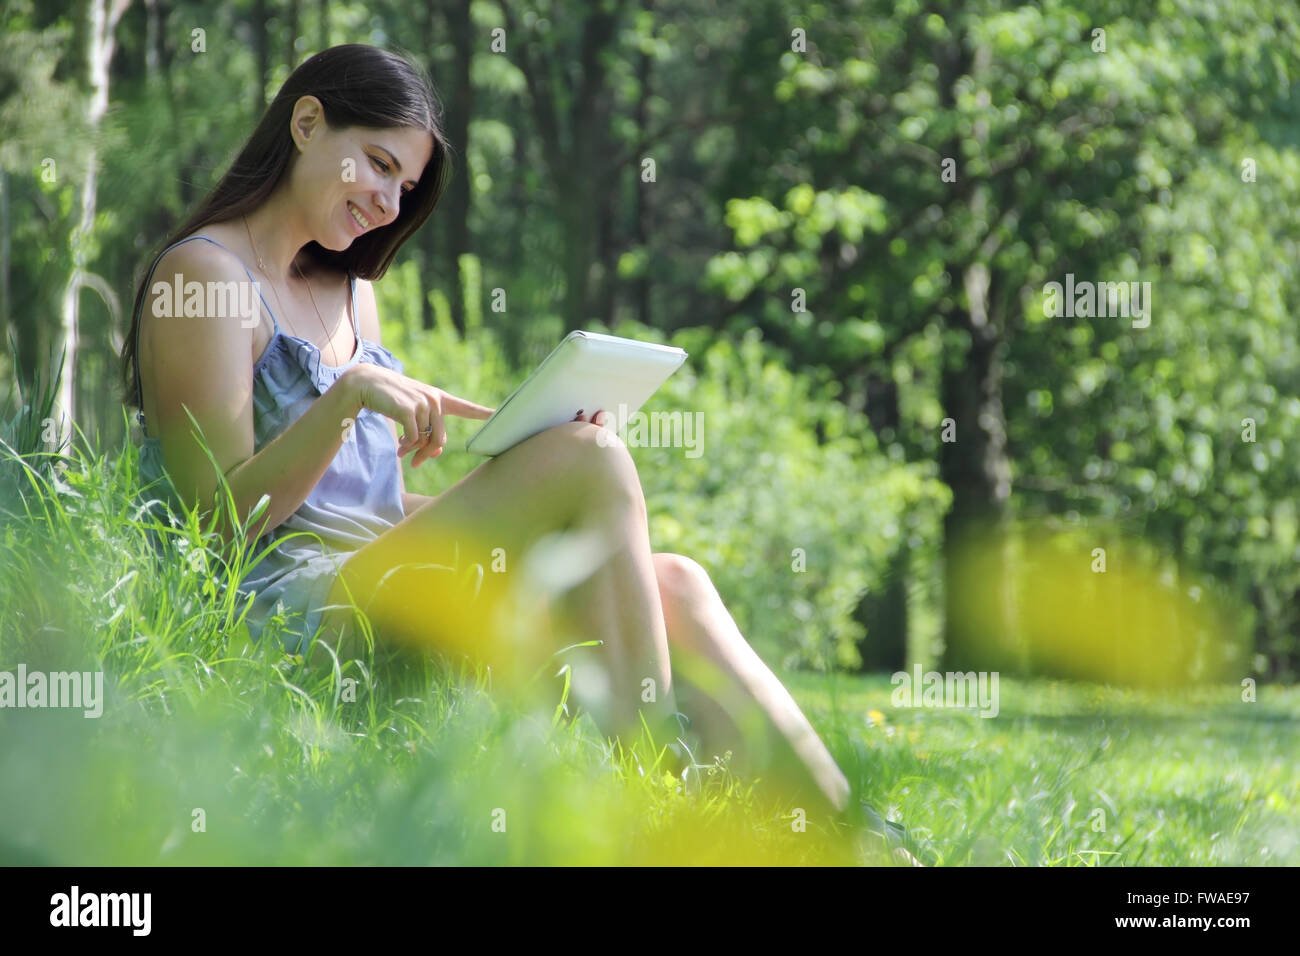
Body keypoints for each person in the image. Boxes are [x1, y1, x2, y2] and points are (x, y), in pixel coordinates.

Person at [121, 44, 922, 865]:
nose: (388, 204)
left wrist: (516, 496)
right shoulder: (205, 277)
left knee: (673, 578)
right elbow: (212, 529)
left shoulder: (354, 292)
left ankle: (856, 839)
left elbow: (374, 514)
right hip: (288, 625)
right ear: (307, 121)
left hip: (381, 585)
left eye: (404, 188)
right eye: (379, 165)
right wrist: (348, 400)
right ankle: (654, 793)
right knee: (588, 455)